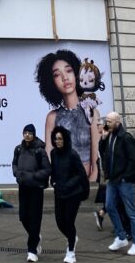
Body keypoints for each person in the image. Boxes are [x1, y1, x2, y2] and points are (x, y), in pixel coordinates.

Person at [38, 49, 98, 181]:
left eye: (68, 70)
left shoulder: (91, 112)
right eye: (57, 75)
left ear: (77, 73)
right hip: (62, 181)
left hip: (86, 183)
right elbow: (49, 154)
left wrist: (92, 181)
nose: (65, 78)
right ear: (51, 82)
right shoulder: (52, 117)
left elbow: (96, 157)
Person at [100, 112, 135, 256]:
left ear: (118, 122)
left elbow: (133, 159)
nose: (107, 123)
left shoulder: (125, 137)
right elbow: (103, 153)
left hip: (124, 181)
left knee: (131, 212)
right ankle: (121, 236)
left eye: (110, 121)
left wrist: (126, 177)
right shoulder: (110, 136)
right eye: (106, 121)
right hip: (112, 180)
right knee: (110, 206)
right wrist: (103, 139)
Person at [50, 125, 89, 263]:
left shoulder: (72, 154)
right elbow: (53, 171)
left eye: (60, 139)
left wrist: (68, 184)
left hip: (73, 194)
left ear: (65, 139)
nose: (57, 141)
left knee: (69, 221)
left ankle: (71, 251)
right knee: (59, 222)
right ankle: (72, 238)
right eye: (55, 139)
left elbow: (81, 174)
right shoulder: (53, 154)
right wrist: (53, 181)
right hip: (59, 193)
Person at [11, 123, 50, 261]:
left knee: (34, 218)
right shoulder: (18, 149)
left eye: (30, 133)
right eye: (25, 132)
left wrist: (33, 177)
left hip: (35, 188)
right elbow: (14, 163)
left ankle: (32, 250)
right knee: (23, 217)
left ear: (34, 135)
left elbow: (46, 170)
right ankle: (36, 236)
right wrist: (17, 173)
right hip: (23, 187)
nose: (27, 135)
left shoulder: (40, 151)